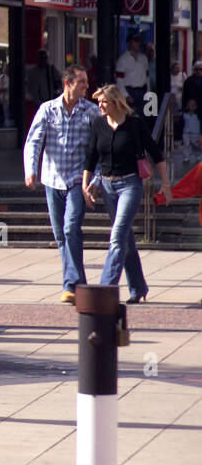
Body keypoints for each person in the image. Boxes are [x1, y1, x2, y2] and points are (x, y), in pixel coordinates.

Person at [82, 84, 171, 304]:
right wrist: (86, 185)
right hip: (106, 187)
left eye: (104, 102)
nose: (100, 106)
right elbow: (91, 158)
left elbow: (156, 154)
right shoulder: (98, 124)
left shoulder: (135, 124)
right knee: (125, 238)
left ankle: (105, 288)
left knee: (117, 235)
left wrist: (166, 185)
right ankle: (138, 287)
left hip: (130, 185)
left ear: (116, 102)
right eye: (98, 102)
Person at [23, 65, 101, 304]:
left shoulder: (91, 112)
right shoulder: (47, 110)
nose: (87, 86)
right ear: (68, 84)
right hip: (52, 179)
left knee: (70, 228)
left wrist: (94, 181)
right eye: (82, 82)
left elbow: (100, 149)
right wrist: (30, 170)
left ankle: (71, 284)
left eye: (87, 82)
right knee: (60, 235)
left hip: (78, 179)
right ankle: (78, 283)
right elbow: (33, 141)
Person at [114, 34, 150, 114]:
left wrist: (148, 92)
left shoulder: (143, 58)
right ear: (129, 43)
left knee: (143, 117)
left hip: (142, 91)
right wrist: (125, 95)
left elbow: (147, 77)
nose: (138, 43)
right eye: (136, 41)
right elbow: (119, 80)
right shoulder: (123, 59)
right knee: (130, 116)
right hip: (130, 91)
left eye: (139, 41)